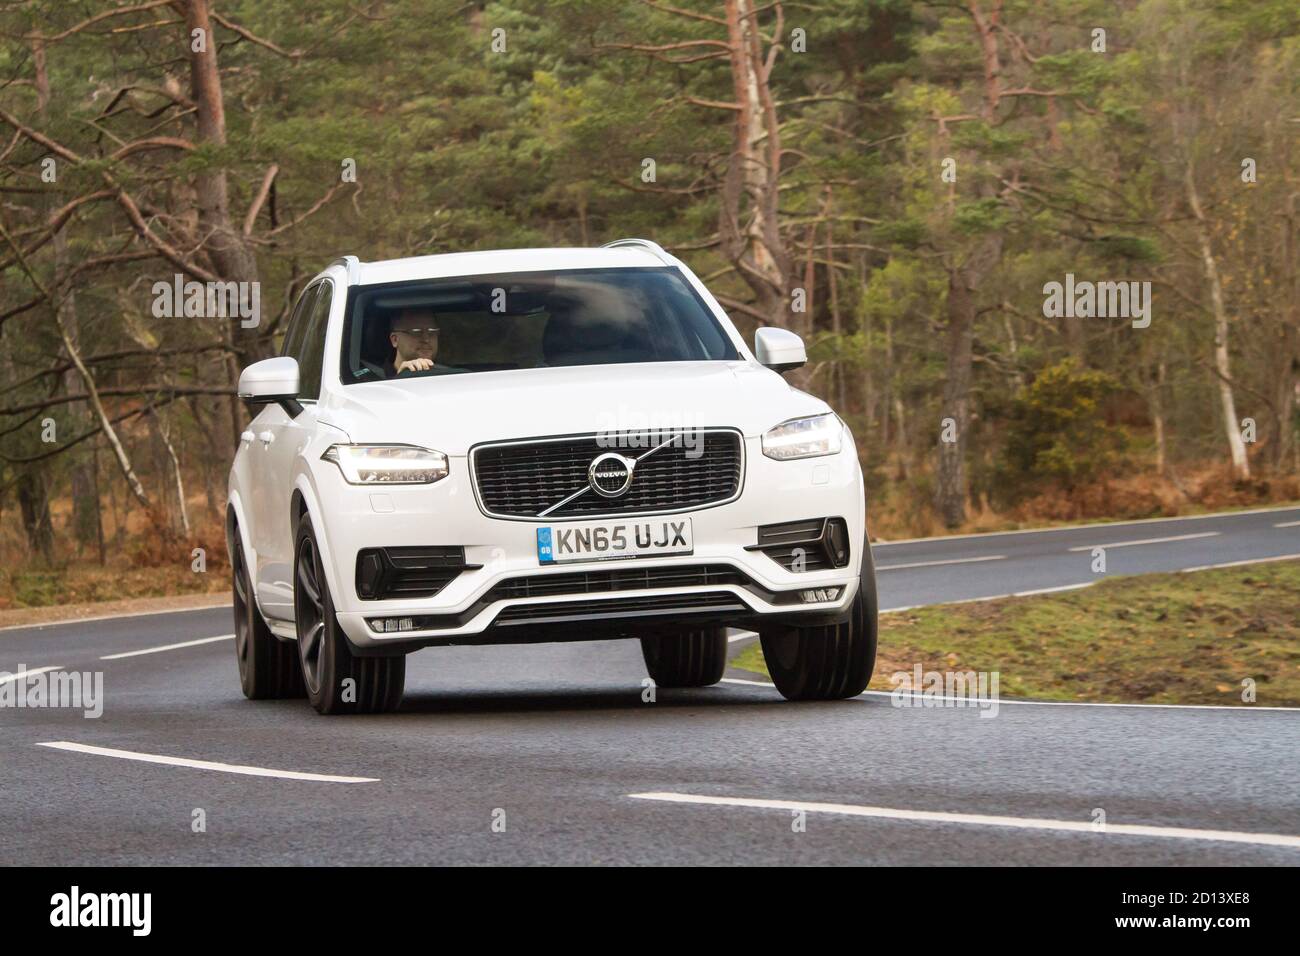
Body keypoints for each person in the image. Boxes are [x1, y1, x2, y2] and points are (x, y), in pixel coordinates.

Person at [386, 307, 455, 377]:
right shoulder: (376, 381)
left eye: (432, 332)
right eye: (416, 332)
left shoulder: (452, 376)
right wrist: (399, 377)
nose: (426, 339)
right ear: (395, 340)